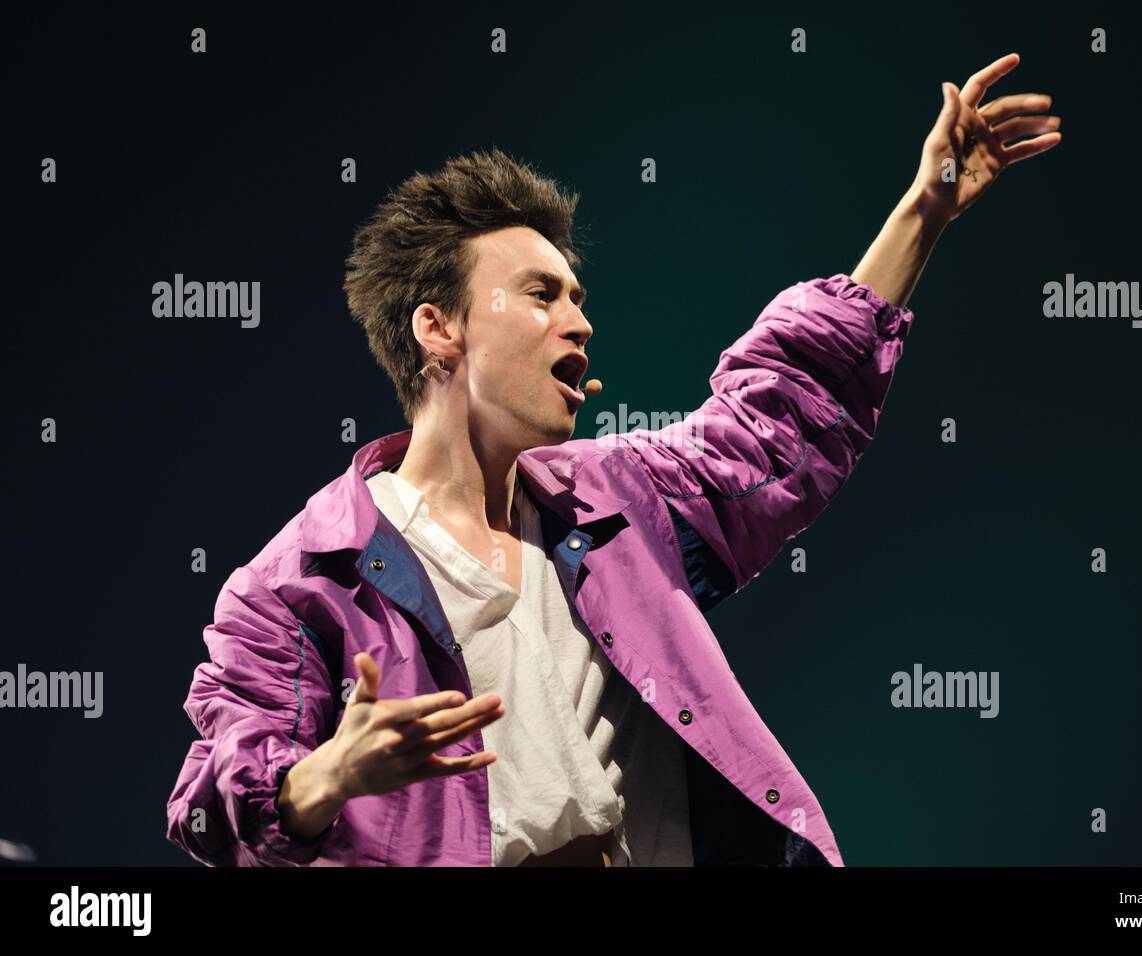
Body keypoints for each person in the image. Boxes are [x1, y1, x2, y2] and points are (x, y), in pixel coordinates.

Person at [164, 53, 1060, 866]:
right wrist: (323, 779)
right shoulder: (300, 583)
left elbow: (783, 410)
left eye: (580, 296)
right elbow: (208, 808)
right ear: (438, 329)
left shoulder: (619, 500)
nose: (582, 321)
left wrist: (924, 208)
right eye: (541, 294)